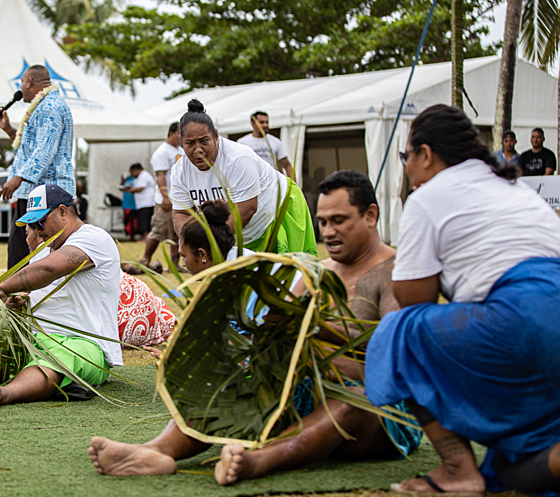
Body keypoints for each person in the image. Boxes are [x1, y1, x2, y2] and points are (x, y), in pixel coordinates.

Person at [89, 188, 423, 484]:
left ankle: (259, 460)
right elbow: (279, 329)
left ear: (370, 215)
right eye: (323, 222)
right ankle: (155, 450)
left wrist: (319, 330)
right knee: (233, 387)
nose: (329, 231)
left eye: (339, 220)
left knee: (348, 404)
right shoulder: (321, 271)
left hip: (379, 407)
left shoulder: (394, 272)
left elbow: (396, 355)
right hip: (302, 390)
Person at [365, 105, 560, 495]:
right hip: (542, 319)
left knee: (398, 331)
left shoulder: (429, 196)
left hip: (521, 318)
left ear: (426, 154)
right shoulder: (513, 187)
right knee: (511, 471)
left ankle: (456, 467)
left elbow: (413, 298)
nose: (406, 166)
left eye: (406, 156)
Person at [0, 184, 120, 408]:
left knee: (58, 358)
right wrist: (22, 300)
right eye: (32, 225)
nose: (37, 230)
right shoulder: (44, 250)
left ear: (63, 211)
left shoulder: (94, 238)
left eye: (40, 222)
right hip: (34, 340)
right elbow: (40, 286)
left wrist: (2, 289)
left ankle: (4, 394)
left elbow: (48, 271)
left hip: (84, 344)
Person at [170, 100, 316, 256]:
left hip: (278, 209)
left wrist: (212, 244)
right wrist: (191, 242)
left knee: (290, 275)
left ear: (216, 136)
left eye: (204, 141)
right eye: (190, 143)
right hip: (238, 232)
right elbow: (182, 213)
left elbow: (246, 209)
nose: (198, 149)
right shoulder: (180, 171)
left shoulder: (238, 158)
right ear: (181, 143)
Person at [25, 226, 174, 348]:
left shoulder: (51, 258)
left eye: (27, 234)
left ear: (40, 235)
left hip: (120, 318)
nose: (25, 240)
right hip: (144, 310)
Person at [0, 64, 74, 268]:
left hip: (47, 193)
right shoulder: (44, 106)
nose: (20, 86)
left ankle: (20, 292)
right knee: (21, 246)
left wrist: (17, 178)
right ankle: (18, 291)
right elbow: (31, 148)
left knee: (38, 247)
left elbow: (45, 150)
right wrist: (9, 129)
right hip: (35, 190)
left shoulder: (50, 107)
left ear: (29, 82)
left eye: (21, 81)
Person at [139, 123, 182, 269]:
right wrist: (165, 196)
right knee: (158, 230)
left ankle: (174, 264)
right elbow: (160, 175)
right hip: (165, 200)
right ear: (171, 133)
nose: (182, 137)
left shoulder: (180, 150)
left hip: (179, 199)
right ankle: (145, 259)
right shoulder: (162, 152)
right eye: (180, 134)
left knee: (177, 231)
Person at [237, 111, 293, 179]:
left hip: (271, 183)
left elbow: (287, 165)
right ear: (253, 123)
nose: (266, 125)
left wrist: (293, 186)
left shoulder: (275, 142)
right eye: (262, 122)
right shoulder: (242, 143)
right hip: (251, 183)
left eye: (267, 122)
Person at [120, 163, 156, 241]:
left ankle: (146, 238)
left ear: (138, 170)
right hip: (141, 203)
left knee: (145, 221)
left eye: (132, 172)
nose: (131, 174)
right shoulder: (139, 177)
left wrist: (127, 190)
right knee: (141, 221)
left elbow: (140, 189)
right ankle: (143, 237)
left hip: (147, 203)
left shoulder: (144, 176)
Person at [120, 172, 137, 239]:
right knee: (127, 221)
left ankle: (133, 236)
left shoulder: (136, 180)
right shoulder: (126, 179)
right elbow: (121, 188)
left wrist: (128, 189)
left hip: (134, 204)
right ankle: (129, 235)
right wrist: (122, 180)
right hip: (126, 204)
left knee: (133, 221)